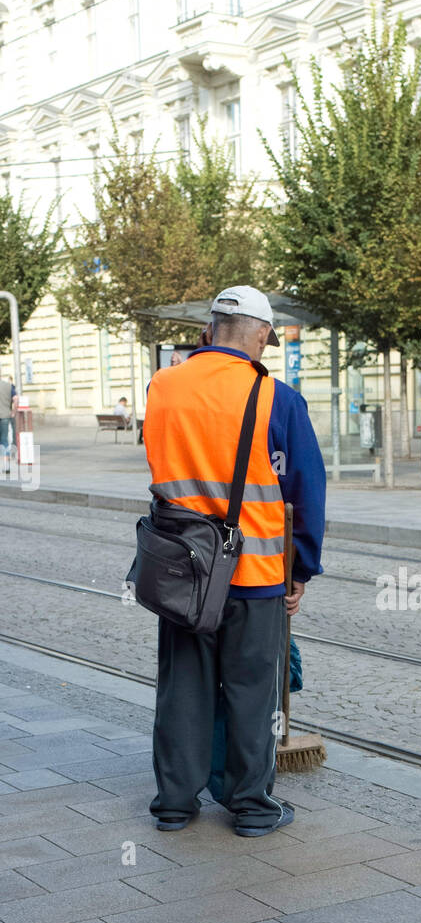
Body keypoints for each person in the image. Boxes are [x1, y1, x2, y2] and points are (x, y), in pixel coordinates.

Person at [142, 285, 326, 837]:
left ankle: (175, 804)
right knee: (251, 691)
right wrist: (301, 569)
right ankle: (249, 807)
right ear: (262, 333)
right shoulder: (278, 398)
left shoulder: (162, 387)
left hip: (182, 573)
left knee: (183, 688)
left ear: (210, 329)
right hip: (253, 574)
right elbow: (305, 493)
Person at [0, 376, 17, 473]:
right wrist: (13, 412)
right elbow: (16, 399)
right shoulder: (9, 386)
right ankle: (6, 466)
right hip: (6, 416)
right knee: (4, 440)